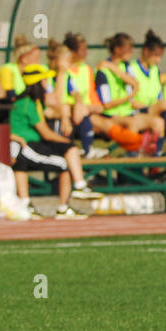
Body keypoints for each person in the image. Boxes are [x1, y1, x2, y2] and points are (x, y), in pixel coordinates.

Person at [8, 64, 101, 219]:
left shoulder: (33, 102)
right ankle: (65, 205)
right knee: (63, 162)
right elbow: (46, 134)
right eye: (44, 80)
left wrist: (64, 117)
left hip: (31, 146)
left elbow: (56, 105)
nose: (47, 84)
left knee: (66, 153)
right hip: (26, 147)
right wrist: (66, 141)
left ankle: (72, 195)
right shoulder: (27, 104)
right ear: (38, 83)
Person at [91, 33, 157, 154]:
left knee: (158, 122)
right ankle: (131, 165)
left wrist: (114, 68)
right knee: (132, 124)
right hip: (111, 114)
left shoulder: (124, 66)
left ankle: (156, 165)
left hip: (127, 112)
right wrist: (128, 98)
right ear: (117, 50)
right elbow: (107, 105)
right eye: (128, 49)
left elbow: (135, 84)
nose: (132, 51)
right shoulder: (102, 72)